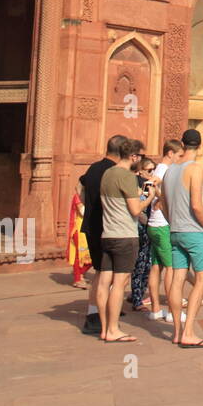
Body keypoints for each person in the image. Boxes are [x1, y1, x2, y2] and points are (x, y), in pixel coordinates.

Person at [161, 128, 203, 347]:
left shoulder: (170, 170)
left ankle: (176, 331)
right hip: (193, 231)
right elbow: (196, 204)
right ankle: (189, 331)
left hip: (175, 231)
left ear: (182, 145)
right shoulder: (195, 169)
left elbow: (162, 204)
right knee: (202, 280)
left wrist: (173, 221)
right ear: (199, 147)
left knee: (177, 280)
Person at [96, 137, 152, 343]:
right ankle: (113, 329)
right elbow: (136, 210)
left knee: (104, 282)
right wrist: (149, 197)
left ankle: (104, 328)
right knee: (119, 284)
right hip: (125, 235)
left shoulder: (107, 174)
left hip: (107, 233)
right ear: (134, 156)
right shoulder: (126, 176)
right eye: (141, 157)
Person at [77, 135, 126, 335]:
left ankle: (100, 310)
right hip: (106, 228)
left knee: (104, 272)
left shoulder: (93, 168)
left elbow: (79, 186)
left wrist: (84, 206)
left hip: (92, 225)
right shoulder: (113, 172)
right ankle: (94, 316)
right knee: (105, 273)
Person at [146, 140, 182, 321]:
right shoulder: (165, 171)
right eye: (178, 155)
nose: (179, 159)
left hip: (153, 224)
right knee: (171, 269)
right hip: (163, 224)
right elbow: (160, 193)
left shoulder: (157, 170)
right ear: (170, 153)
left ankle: (156, 309)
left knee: (156, 267)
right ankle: (170, 311)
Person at [128, 156, 157, 312]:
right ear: (140, 171)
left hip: (149, 227)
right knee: (141, 263)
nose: (151, 173)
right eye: (149, 170)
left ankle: (137, 293)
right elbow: (138, 209)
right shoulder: (136, 185)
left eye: (153, 169)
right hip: (140, 227)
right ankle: (137, 298)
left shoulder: (151, 184)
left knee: (147, 263)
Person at [67, 183, 92, 289]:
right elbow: (83, 212)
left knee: (90, 256)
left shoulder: (87, 197)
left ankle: (79, 273)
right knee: (79, 255)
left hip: (87, 229)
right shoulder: (78, 197)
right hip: (78, 230)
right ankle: (78, 279)